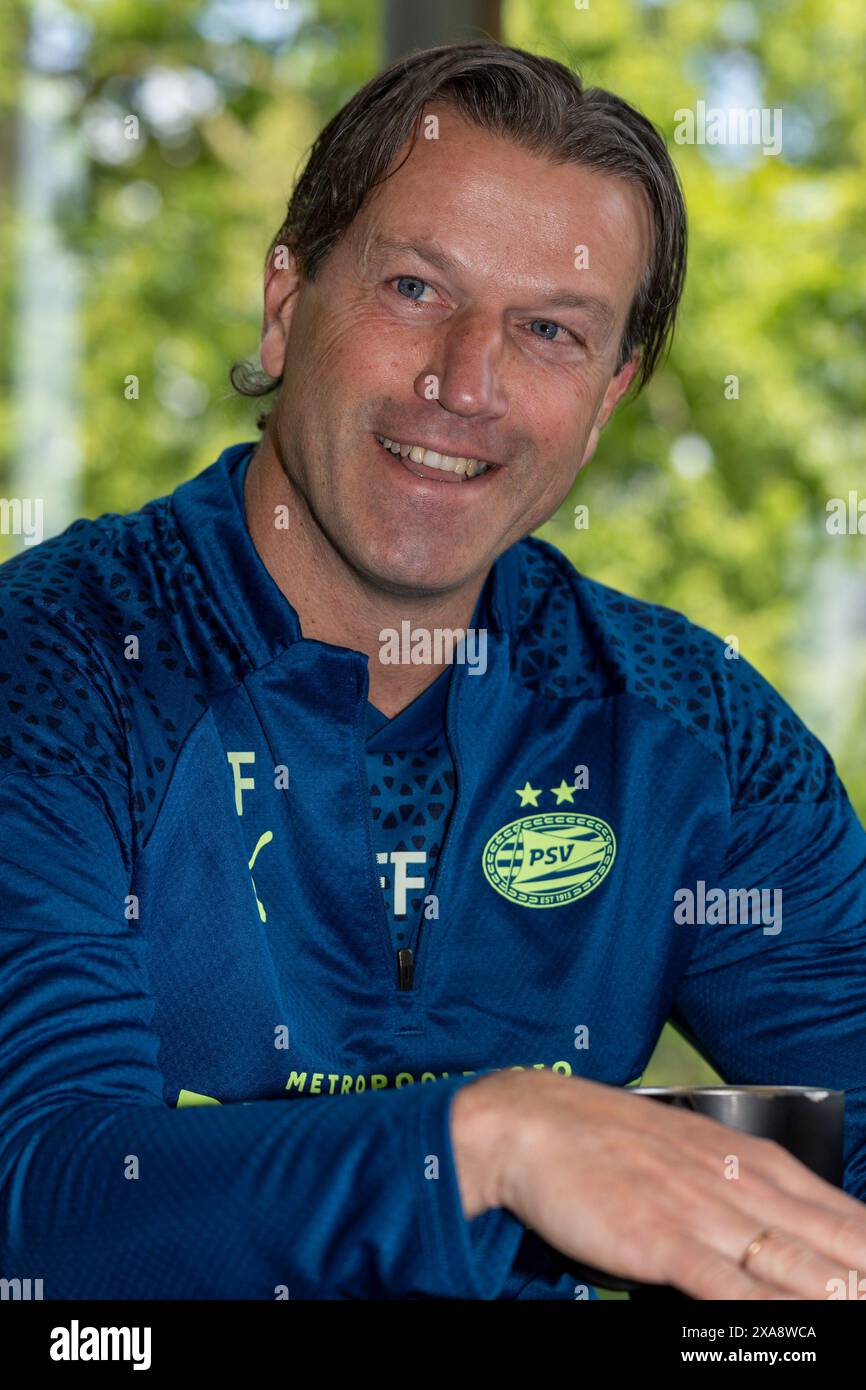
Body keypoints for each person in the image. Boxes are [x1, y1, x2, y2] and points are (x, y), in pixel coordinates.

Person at [1, 41, 864, 1302]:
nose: (466, 383)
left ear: (612, 389)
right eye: (414, 288)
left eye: (551, 331)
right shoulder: (53, 670)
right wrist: (493, 1142)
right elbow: (41, 1201)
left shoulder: (694, 725)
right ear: (287, 302)